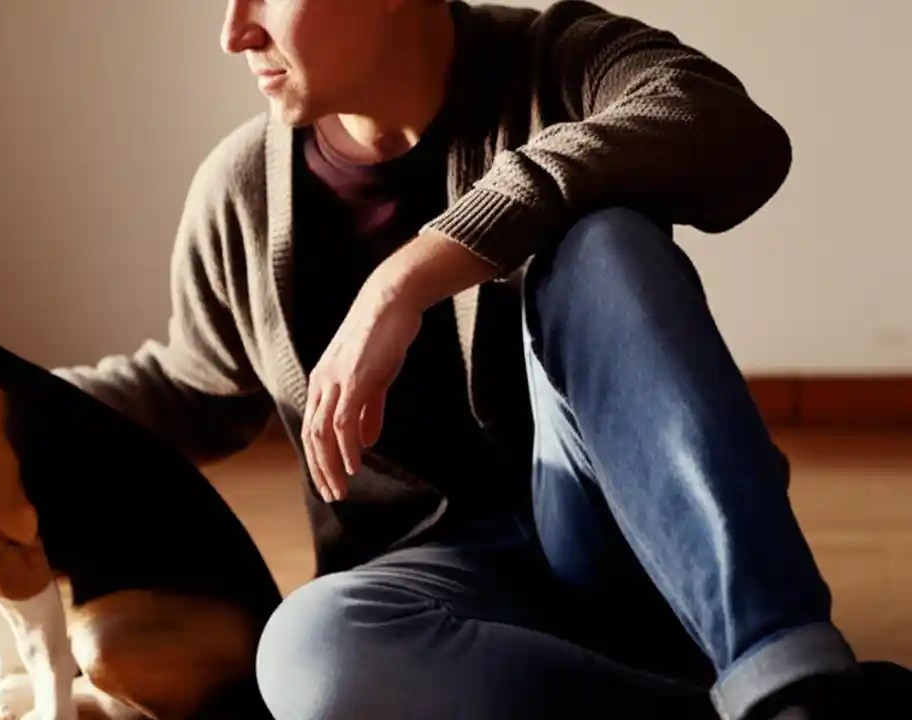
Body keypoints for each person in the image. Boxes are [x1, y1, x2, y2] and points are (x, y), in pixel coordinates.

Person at [53, 1, 912, 718]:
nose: (234, 31)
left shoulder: (556, 65)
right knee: (310, 651)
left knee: (605, 242)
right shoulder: (241, 187)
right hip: (448, 588)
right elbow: (193, 391)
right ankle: (793, 711)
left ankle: (782, 665)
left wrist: (416, 271)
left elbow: (731, 131)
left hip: (630, 543)